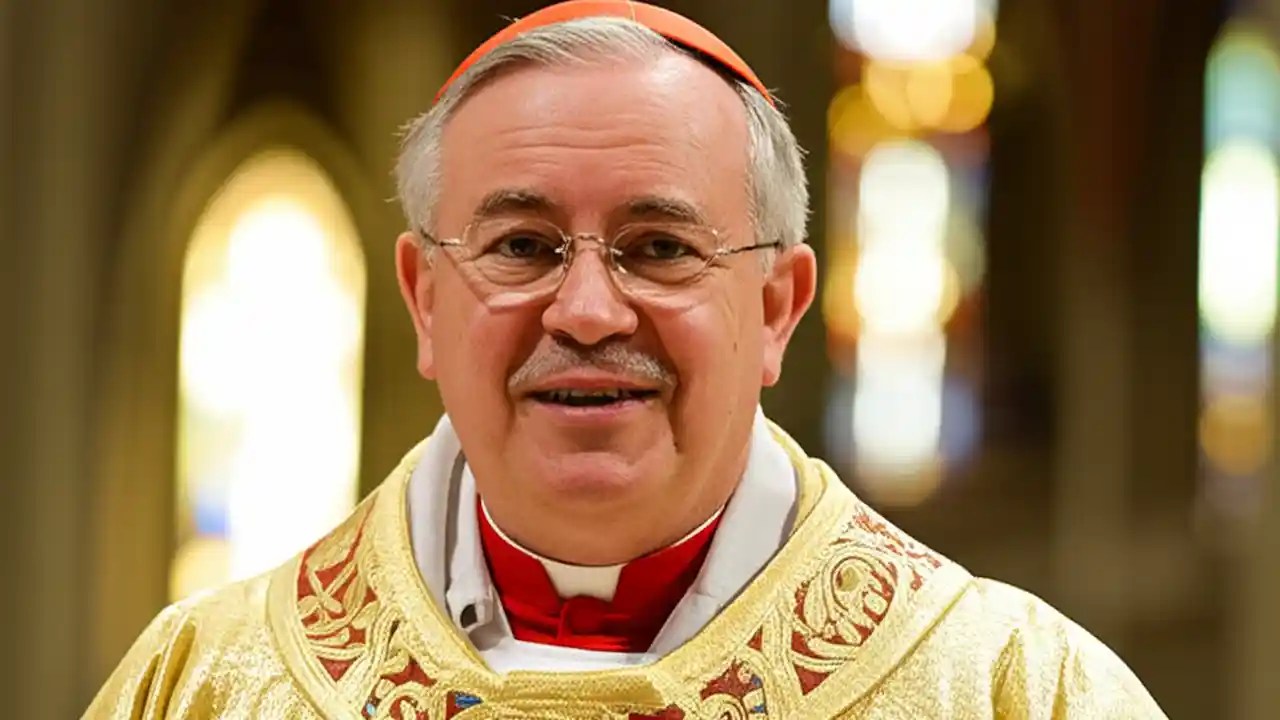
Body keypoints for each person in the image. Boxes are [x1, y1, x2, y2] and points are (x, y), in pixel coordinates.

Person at [86, 1, 1168, 717]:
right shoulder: (205, 684)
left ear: (777, 306)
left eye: (659, 249)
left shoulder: (1014, 690)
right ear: (424, 301)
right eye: (520, 247)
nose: (590, 310)